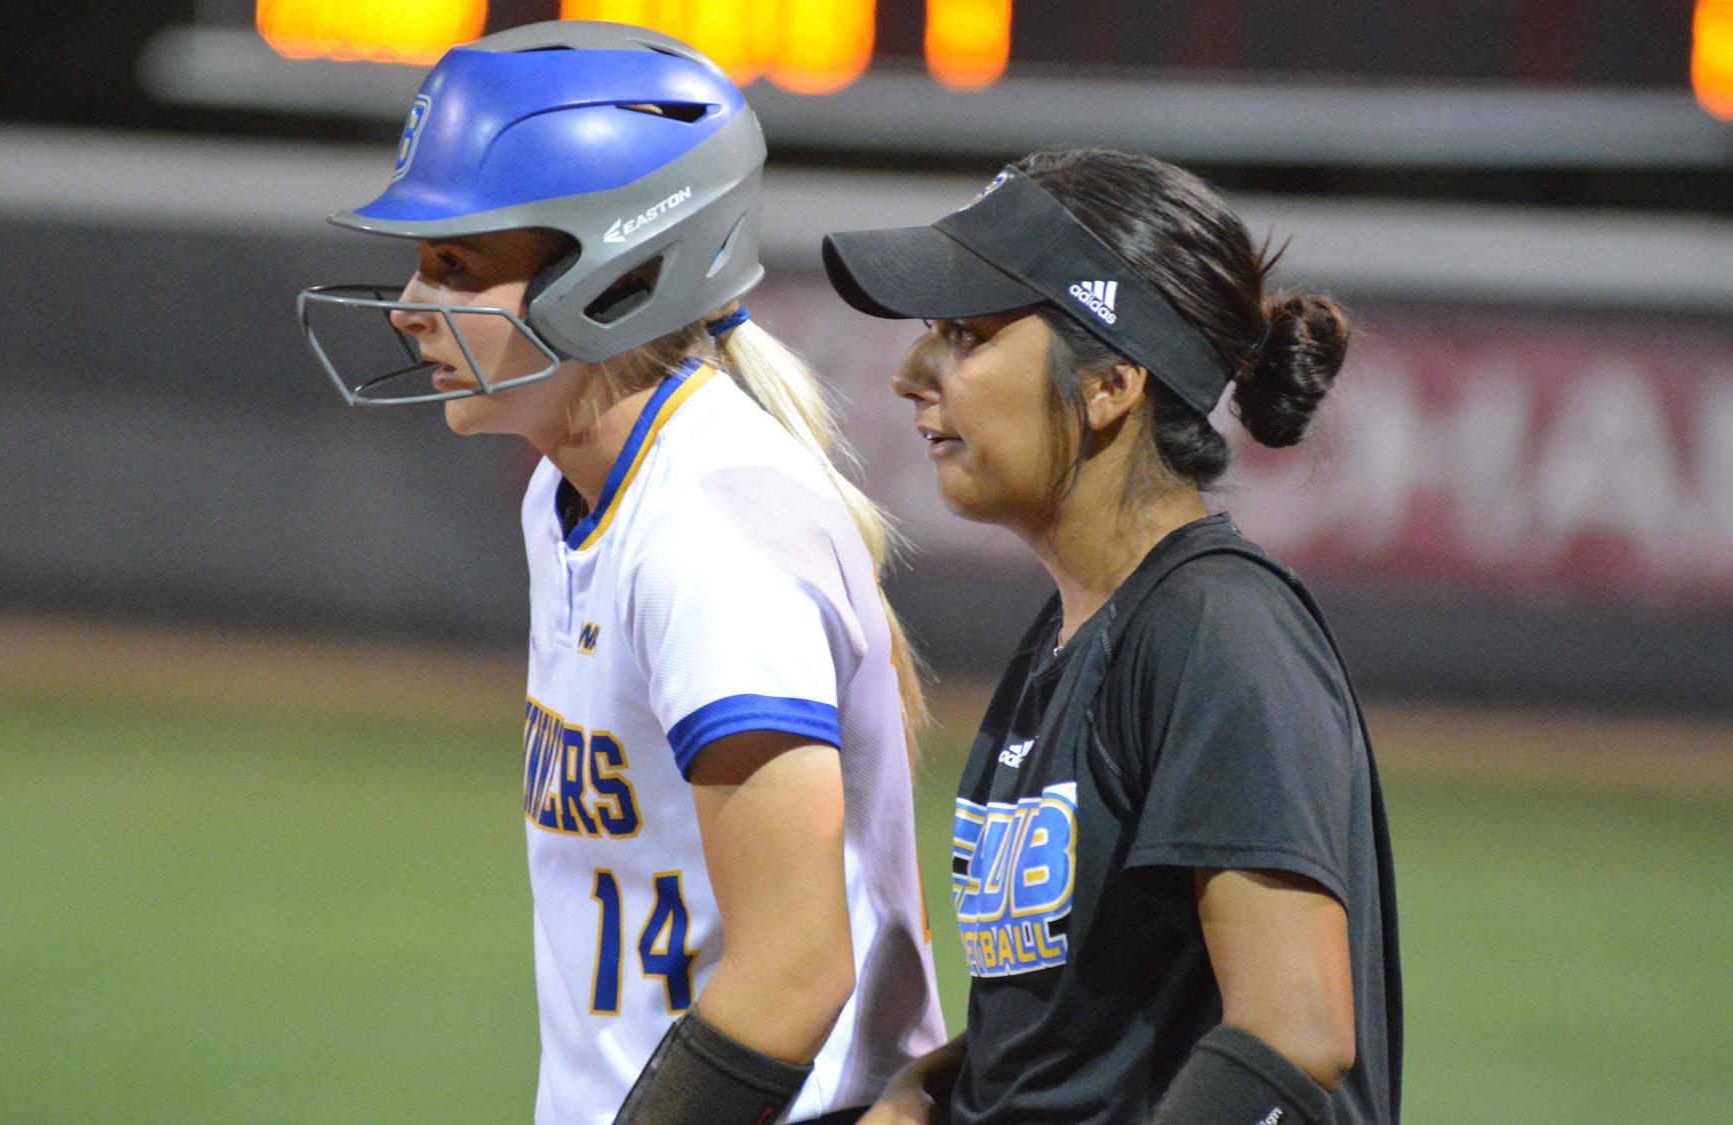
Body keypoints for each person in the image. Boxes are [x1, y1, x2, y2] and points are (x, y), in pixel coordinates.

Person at [297, 21, 944, 1125]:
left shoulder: (712, 529)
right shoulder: (575, 489)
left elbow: (795, 971)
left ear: (618, 274)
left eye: (455, 265)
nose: (407, 306)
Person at [821, 149, 1402, 1124]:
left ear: (1109, 385)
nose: (908, 374)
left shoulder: (1218, 630)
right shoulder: (1074, 631)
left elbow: (1292, 1033)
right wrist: (927, 1093)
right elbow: (1075, 1031)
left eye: (964, 333)